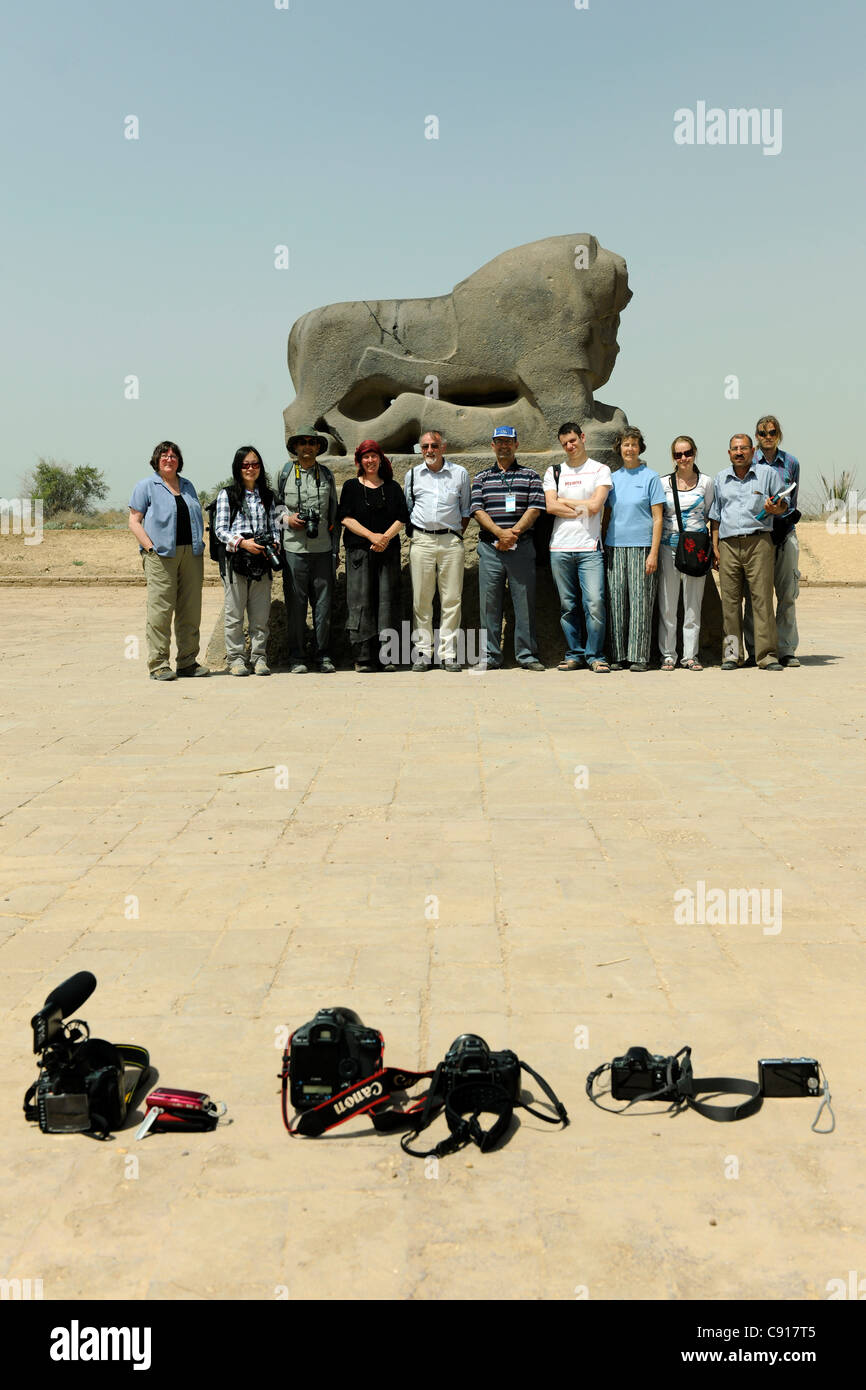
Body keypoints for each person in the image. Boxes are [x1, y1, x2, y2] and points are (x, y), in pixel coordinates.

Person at [709, 435, 790, 670]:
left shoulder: (767, 475)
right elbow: (716, 515)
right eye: (735, 448)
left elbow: (783, 505)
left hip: (759, 542)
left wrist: (776, 507)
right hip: (728, 544)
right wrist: (715, 547)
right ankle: (732, 655)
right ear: (729, 453)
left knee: (762, 600)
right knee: (730, 603)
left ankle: (767, 656)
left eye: (744, 448)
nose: (739, 452)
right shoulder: (721, 478)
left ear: (753, 450)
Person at [129, 441, 208, 681]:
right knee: (161, 610)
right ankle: (159, 664)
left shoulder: (188, 485)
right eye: (164, 455)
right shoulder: (146, 486)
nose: (169, 459)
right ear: (157, 459)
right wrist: (150, 548)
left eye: (174, 455)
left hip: (191, 555)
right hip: (161, 556)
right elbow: (134, 521)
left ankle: (187, 662)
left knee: (190, 610)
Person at [469, 425, 546, 671]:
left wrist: (513, 534)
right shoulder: (481, 477)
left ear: (516, 444)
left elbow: (535, 508)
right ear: (492, 445)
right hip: (490, 548)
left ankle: (526, 655)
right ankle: (490, 656)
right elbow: (477, 510)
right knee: (489, 604)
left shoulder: (531, 475)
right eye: (499, 441)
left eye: (508, 441)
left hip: (521, 547)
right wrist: (500, 533)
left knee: (524, 603)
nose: (504, 445)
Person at [543, 422, 611, 673]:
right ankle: (574, 654)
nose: (570, 446)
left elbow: (595, 508)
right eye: (565, 444)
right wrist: (579, 507)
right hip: (560, 547)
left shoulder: (600, 470)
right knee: (568, 605)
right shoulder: (554, 472)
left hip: (590, 548)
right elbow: (550, 507)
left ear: (582, 438)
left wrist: (563, 501)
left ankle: (595, 655)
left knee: (594, 602)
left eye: (573, 441)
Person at [337, 440, 409, 672]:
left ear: (380, 459)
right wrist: (371, 536)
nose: (370, 461)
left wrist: (384, 538)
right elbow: (345, 518)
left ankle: (386, 656)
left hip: (388, 552)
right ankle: (363, 657)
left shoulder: (393, 487)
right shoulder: (350, 486)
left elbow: (401, 517)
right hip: (359, 552)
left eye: (373, 456)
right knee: (360, 602)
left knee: (387, 602)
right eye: (365, 457)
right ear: (359, 461)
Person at [404, 429, 471, 671]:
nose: (429, 450)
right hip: (421, 541)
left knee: (451, 599)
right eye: (425, 447)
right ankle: (423, 652)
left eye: (434, 446)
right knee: (421, 599)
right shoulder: (412, 475)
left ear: (443, 448)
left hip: (450, 542)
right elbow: (409, 507)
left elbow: (465, 511)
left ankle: (448, 653)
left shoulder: (459, 474)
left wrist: (452, 532)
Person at [214, 447, 282, 676]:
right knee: (234, 614)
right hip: (236, 558)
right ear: (238, 468)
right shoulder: (228, 494)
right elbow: (220, 530)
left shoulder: (268, 495)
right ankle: (235, 659)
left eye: (255, 464)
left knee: (260, 615)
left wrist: (274, 544)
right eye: (245, 465)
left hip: (262, 557)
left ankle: (259, 658)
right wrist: (243, 543)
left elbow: (275, 526)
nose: (250, 469)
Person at [277, 426, 338, 674]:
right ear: (295, 447)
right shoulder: (284, 473)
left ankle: (323, 655)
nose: (307, 447)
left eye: (312, 442)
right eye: (302, 443)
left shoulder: (326, 475)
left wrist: (335, 550)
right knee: (296, 606)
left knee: (323, 607)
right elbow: (273, 510)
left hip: (322, 548)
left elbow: (333, 511)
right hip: (293, 549)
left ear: (318, 447)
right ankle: (297, 657)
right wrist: (288, 520)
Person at [603, 427, 664, 671]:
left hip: (642, 547)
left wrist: (654, 552)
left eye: (634, 444)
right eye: (626, 444)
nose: (630, 449)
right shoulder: (612, 479)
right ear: (619, 448)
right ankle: (618, 655)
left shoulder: (650, 477)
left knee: (641, 603)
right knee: (616, 602)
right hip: (615, 547)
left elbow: (658, 518)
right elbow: (606, 515)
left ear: (640, 448)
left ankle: (639, 656)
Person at [743, 415, 801, 667]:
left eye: (772, 432)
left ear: (779, 434)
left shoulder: (791, 462)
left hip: (785, 531)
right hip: (758, 535)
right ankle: (756, 649)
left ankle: (787, 649)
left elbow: (793, 500)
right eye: (762, 433)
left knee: (787, 594)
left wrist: (781, 511)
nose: (768, 437)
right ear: (756, 436)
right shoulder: (748, 461)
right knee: (756, 595)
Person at [657, 436, 715, 672]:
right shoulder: (663, 483)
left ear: (695, 453)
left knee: (693, 604)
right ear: (673, 457)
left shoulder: (706, 483)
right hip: (668, 547)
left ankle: (690, 655)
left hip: (696, 549)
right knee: (668, 604)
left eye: (687, 453)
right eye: (678, 454)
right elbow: (658, 516)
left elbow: (711, 515)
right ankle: (668, 655)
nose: (683, 458)